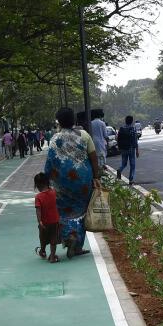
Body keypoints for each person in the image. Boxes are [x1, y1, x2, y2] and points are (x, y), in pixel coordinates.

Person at [43, 106, 100, 257]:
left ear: (59, 122)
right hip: (83, 182)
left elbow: (50, 161)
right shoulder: (84, 135)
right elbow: (94, 158)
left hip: (61, 183)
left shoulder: (55, 139)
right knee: (82, 212)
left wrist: (46, 179)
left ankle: (69, 237)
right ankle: (78, 245)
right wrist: (97, 177)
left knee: (62, 212)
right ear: (74, 120)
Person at [34, 172, 60, 263]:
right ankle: (52, 257)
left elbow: (38, 210)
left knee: (43, 237)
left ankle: (43, 251)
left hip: (44, 222)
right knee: (53, 239)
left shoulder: (38, 197)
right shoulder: (53, 192)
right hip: (55, 220)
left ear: (37, 185)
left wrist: (39, 221)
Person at [116, 115, 138, 185]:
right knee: (132, 164)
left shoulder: (121, 128)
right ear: (131, 121)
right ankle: (131, 179)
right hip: (131, 149)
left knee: (124, 163)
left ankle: (119, 170)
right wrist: (137, 150)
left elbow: (118, 139)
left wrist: (119, 148)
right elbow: (135, 140)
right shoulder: (132, 128)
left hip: (123, 149)